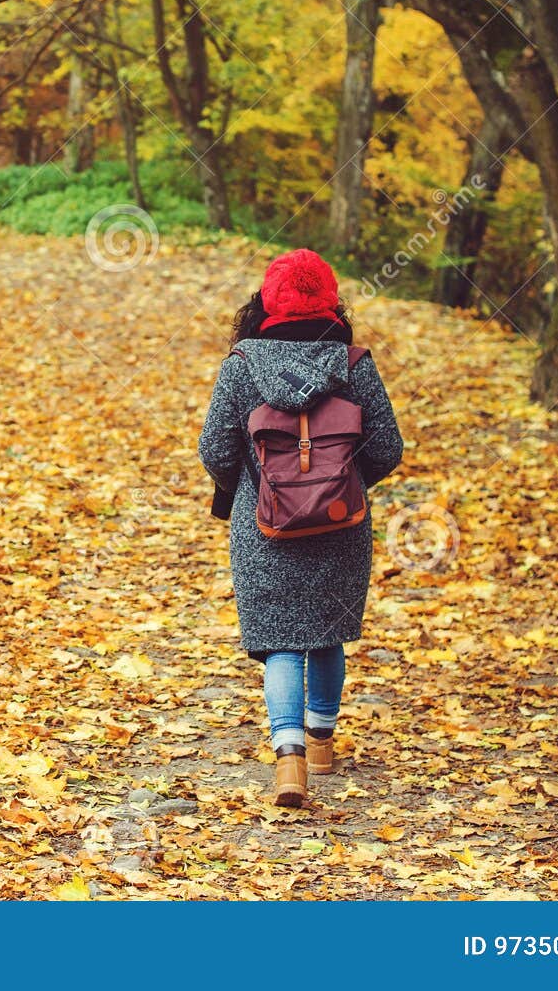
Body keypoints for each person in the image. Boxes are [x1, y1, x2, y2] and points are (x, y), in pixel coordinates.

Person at [198, 249, 403, 807]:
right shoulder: (354, 363)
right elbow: (386, 447)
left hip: (264, 526)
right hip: (341, 524)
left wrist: (253, 486)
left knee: (280, 639)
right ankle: (321, 744)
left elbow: (215, 448)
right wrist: (338, 486)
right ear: (331, 302)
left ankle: (288, 760)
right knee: (326, 632)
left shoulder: (244, 364)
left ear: (266, 302)